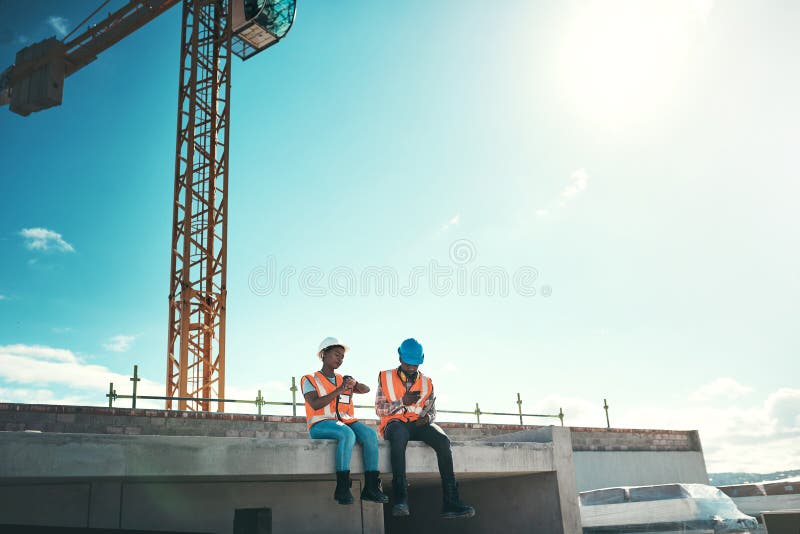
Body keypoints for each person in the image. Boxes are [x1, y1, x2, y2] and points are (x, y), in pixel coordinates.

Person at [375, 337, 475, 519]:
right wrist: (401, 402)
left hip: (418, 424)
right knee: (399, 436)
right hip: (395, 425)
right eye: (408, 364)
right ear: (400, 358)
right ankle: (400, 500)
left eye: (415, 364)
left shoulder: (427, 382)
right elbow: (379, 410)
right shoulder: (385, 377)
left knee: (443, 441)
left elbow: (432, 410)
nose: (411, 368)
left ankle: (451, 502)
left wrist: (427, 418)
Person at [301, 336, 388, 505]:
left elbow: (365, 389)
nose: (340, 359)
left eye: (342, 356)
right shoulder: (309, 379)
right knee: (347, 434)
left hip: (344, 421)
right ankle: (342, 488)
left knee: (370, 435)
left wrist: (355, 384)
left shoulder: (344, 379)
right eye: (336, 354)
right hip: (320, 424)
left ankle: (371, 487)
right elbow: (315, 403)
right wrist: (339, 390)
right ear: (323, 354)